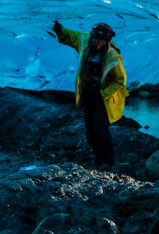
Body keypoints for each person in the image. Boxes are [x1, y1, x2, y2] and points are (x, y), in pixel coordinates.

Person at [50, 19, 128, 167]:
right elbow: (73, 36)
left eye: (97, 39)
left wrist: (104, 92)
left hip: (104, 97)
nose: (93, 41)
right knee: (90, 128)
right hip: (89, 94)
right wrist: (59, 29)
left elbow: (120, 80)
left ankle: (107, 161)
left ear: (105, 41)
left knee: (100, 128)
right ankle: (98, 159)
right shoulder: (86, 43)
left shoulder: (112, 56)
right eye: (93, 37)